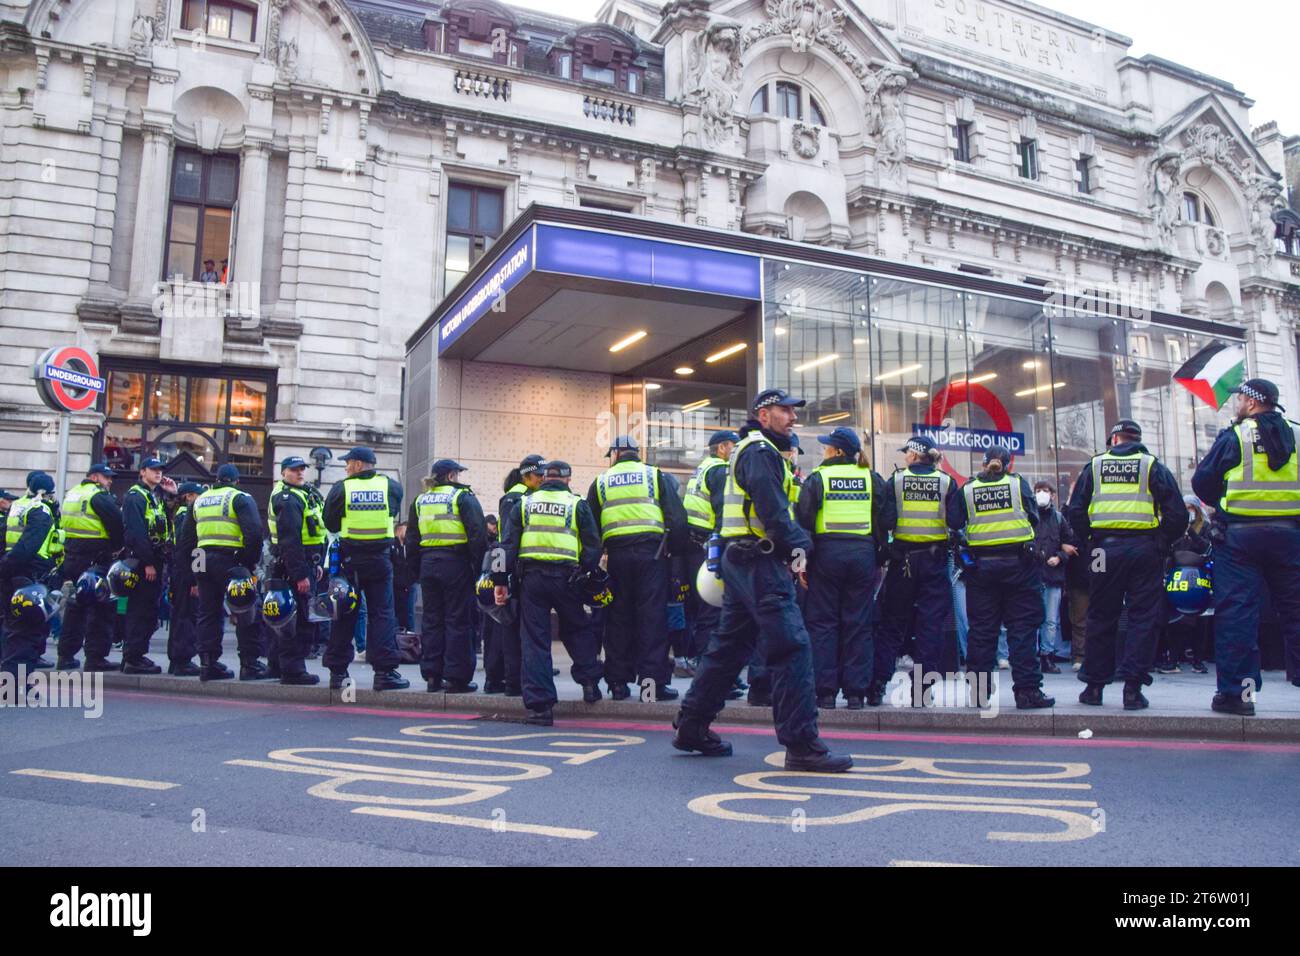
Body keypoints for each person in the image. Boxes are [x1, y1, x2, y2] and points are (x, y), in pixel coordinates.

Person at [673, 388, 853, 773]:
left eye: (792, 411)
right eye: (784, 410)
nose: (792, 417)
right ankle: (802, 745)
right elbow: (775, 514)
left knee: (728, 649)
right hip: (759, 561)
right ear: (763, 413)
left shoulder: (758, 451)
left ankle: (691, 726)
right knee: (792, 647)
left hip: (746, 560)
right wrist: (803, 550)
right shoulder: (759, 452)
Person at [1192, 378, 1300, 714]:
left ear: (1252, 403)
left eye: (1239, 398)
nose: (1236, 404)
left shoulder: (1235, 436)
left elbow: (1202, 482)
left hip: (1240, 537)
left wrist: (1220, 502)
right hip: (1289, 535)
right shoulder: (1296, 435)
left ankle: (1239, 696)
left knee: (1238, 613)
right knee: (1296, 611)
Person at [1068, 419, 1187, 710]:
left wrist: (1090, 540)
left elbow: (1075, 510)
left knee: (1099, 614)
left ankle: (1094, 688)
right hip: (1144, 550)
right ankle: (1132, 689)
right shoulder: (1152, 466)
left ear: (1114, 440)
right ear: (1138, 439)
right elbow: (1178, 514)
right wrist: (1161, 542)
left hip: (1102, 551)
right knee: (1143, 617)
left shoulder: (1095, 466)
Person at [494, 459, 604, 725]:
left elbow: (505, 545)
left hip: (532, 580)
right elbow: (593, 546)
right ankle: (590, 683)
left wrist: (500, 580)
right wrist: (585, 571)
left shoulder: (524, 504)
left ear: (544, 478)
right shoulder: (577, 504)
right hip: (567, 578)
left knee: (535, 641)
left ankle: (540, 708)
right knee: (577, 629)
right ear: (567, 479)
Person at [948, 446, 1054, 710]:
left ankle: (980, 693)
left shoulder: (969, 489)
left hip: (982, 570)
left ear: (984, 464)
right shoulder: (1018, 484)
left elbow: (953, 520)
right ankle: (1027, 692)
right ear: (1008, 464)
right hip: (1019, 567)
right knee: (1022, 630)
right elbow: (1033, 516)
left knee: (982, 632)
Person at [795, 426, 893, 710]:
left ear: (837, 451)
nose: (823, 449)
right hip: (862, 556)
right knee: (859, 624)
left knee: (823, 623)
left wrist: (800, 564)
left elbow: (803, 526)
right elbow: (886, 520)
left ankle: (825, 693)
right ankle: (856, 694)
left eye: (827, 446)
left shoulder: (818, 479)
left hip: (826, 556)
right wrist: (878, 555)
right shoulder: (872, 478)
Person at [588, 435, 689, 701]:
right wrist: (674, 552)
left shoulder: (601, 481)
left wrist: (593, 562)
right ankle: (649, 688)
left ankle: (618, 684)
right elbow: (677, 519)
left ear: (616, 454)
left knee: (617, 619)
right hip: (652, 557)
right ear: (636, 452)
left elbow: (590, 528)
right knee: (652, 621)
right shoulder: (654, 476)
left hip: (617, 559)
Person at [875, 435, 959, 706]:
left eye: (906, 453)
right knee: (930, 627)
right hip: (934, 563)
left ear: (913, 454)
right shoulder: (946, 482)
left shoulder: (897, 481)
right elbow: (957, 520)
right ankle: (922, 691)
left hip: (903, 562)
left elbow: (886, 519)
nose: (904, 457)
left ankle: (876, 686)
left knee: (892, 625)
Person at [321, 446, 409, 691]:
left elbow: (329, 521)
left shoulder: (342, 488)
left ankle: (338, 674)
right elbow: (391, 512)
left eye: (348, 463)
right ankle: (384, 673)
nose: (346, 467)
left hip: (350, 559)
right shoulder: (391, 487)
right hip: (380, 559)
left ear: (359, 464)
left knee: (344, 612)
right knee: (382, 614)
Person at [407, 458, 487, 694]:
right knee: (458, 620)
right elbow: (477, 534)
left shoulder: (420, 500)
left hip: (428, 564)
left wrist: (416, 570)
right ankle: (456, 678)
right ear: (451, 476)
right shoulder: (461, 497)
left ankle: (432, 675)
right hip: (456, 564)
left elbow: (412, 539)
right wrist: (478, 568)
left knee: (432, 620)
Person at [188, 463, 269, 681]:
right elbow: (253, 533)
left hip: (202, 560)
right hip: (232, 560)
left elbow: (188, 538)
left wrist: (192, 569)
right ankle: (249, 664)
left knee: (208, 612)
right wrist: (249, 563)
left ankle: (208, 663)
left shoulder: (200, 501)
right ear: (236, 480)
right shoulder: (239, 498)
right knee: (245, 610)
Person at [485, 454, 545, 696]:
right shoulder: (516, 498)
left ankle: (506, 679)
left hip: (514, 567)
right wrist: (501, 577)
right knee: (508, 626)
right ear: (526, 475)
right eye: (539, 475)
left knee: (507, 626)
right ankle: (511, 682)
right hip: (514, 568)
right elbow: (507, 542)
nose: (542, 479)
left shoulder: (522, 496)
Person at [55, 464, 124, 671]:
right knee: (102, 608)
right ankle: (95, 658)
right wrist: (116, 549)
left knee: (76, 607)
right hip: (97, 559)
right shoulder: (98, 496)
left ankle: (65, 655)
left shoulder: (72, 493)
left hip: (73, 557)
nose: (109, 481)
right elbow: (117, 523)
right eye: (106, 477)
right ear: (94, 477)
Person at [681, 430, 738, 675]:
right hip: (709, 546)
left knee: (701, 606)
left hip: (694, 545)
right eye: (734, 447)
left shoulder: (702, 468)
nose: (736, 451)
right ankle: (709, 669)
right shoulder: (719, 471)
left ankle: (701, 661)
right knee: (712, 608)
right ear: (722, 448)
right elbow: (722, 508)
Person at [265, 456, 325, 685]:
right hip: (294, 565)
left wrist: (315, 564)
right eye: (294, 470)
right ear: (283, 473)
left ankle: (277, 665)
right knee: (298, 619)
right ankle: (293, 670)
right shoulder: (289, 499)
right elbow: (290, 540)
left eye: (302, 469)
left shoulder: (296, 494)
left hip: (299, 563)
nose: (300, 473)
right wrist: (300, 574)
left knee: (283, 614)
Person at [120, 458, 178, 674]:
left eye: (160, 470)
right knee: (141, 611)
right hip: (144, 564)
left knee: (149, 611)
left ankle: (136, 655)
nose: (158, 473)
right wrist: (148, 564)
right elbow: (136, 534)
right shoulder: (136, 496)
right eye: (153, 470)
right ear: (142, 471)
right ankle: (133, 658)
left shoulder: (154, 496)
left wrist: (172, 493)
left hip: (155, 560)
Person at [0, 472, 58, 676]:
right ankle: (14, 685)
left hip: (14, 574)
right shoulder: (39, 511)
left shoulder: (18, 506)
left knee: (14, 631)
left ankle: (16, 681)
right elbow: (27, 547)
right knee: (25, 633)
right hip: (29, 575)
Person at [1155, 496, 1213, 675]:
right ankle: (1173, 659)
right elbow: (1167, 549)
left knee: (1199, 620)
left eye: (1191, 508)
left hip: (1197, 576)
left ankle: (1198, 660)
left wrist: (1192, 533)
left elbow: (1207, 548)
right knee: (1174, 619)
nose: (1189, 511)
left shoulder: (1204, 527)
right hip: (1177, 576)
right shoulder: (1175, 529)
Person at [1031, 480, 1077, 675]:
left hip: (1052, 576)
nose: (1041, 494)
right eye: (1038, 491)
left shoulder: (1058, 519)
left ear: (1053, 495)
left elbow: (1071, 544)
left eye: (1045, 490)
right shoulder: (1029, 517)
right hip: (1033, 576)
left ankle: (1047, 656)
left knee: (1051, 620)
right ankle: (1030, 656)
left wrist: (1059, 557)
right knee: (1031, 620)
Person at [167, 481, 204, 675]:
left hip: (180, 571)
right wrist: (195, 579)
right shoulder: (189, 516)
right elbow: (193, 548)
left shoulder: (180, 514)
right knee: (187, 616)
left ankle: (177, 660)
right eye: (198, 495)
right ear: (189, 496)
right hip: (186, 573)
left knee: (180, 615)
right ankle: (182, 660)